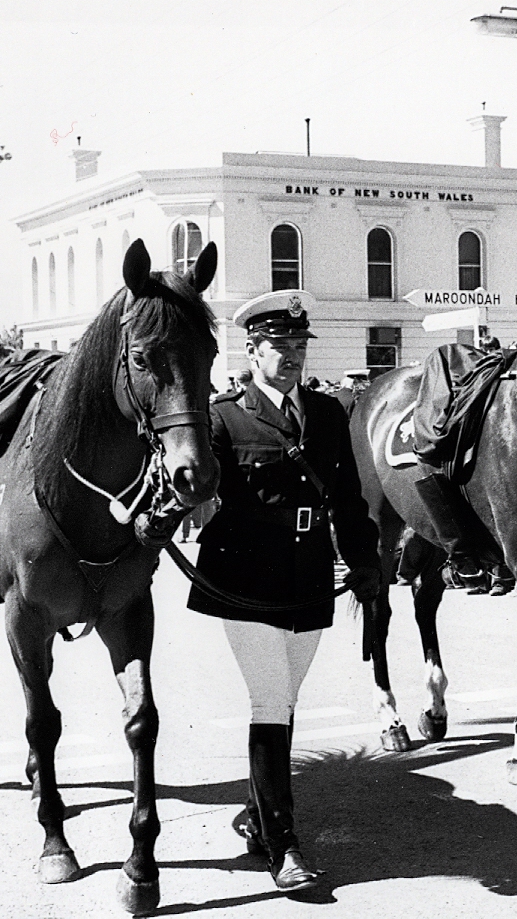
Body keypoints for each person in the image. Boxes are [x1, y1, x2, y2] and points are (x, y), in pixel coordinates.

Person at [187, 289, 382, 893]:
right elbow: (198, 497)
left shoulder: (326, 415)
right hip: (245, 582)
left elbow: (348, 502)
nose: (292, 356)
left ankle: (255, 812)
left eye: (299, 346)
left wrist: (367, 568)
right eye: (280, 346)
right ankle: (282, 843)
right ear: (252, 351)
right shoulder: (222, 417)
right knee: (271, 704)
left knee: (286, 704)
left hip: (308, 580)